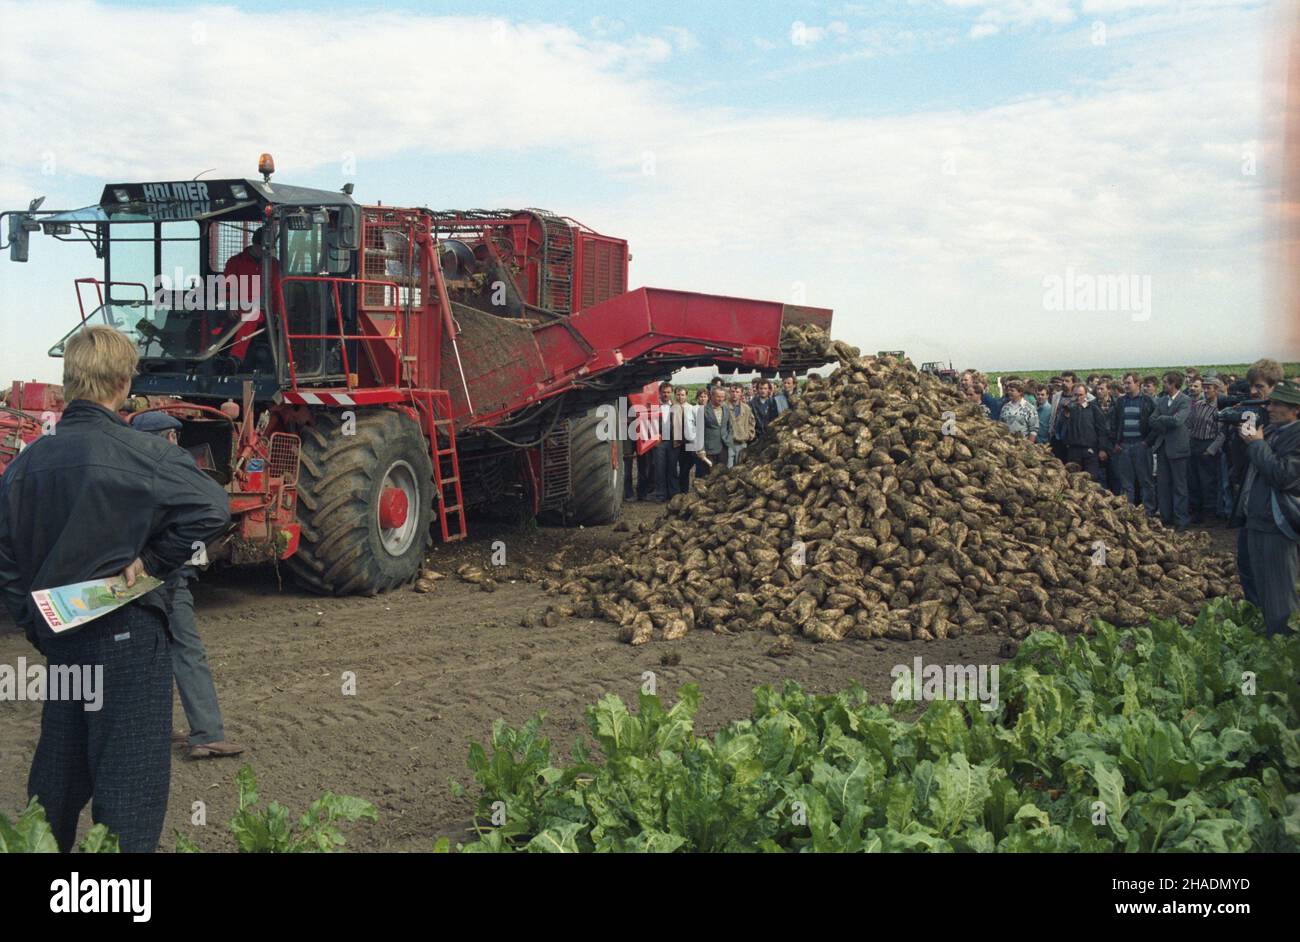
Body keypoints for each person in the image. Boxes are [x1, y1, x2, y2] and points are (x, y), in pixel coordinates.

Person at [0, 326, 230, 852]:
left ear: (68, 382)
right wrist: (152, 560)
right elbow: (213, 508)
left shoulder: (25, 465)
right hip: (127, 639)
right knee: (129, 791)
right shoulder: (144, 454)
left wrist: (38, 624)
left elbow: (6, 558)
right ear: (125, 382)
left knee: (55, 783)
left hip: (61, 643)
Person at [132, 411, 245, 759]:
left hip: (130, 577)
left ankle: (152, 729)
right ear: (169, 438)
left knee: (146, 652)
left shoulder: (125, 470)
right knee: (186, 649)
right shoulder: (177, 468)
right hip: (167, 572)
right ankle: (207, 734)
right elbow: (215, 508)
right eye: (174, 438)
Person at [1231, 380, 1300, 637]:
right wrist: (1246, 438)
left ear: (1296, 410)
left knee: (1281, 594)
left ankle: (1286, 652)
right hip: (1257, 520)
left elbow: (1284, 476)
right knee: (1262, 589)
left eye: (1277, 404)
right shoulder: (1272, 430)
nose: (1269, 408)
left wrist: (1257, 444)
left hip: (1278, 524)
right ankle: (1270, 643)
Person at [218, 226, 281, 365]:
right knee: (209, 317)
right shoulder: (235, 262)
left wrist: (278, 314)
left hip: (262, 310)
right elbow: (226, 286)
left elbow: (276, 291)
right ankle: (206, 358)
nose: (266, 252)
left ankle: (235, 359)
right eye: (263, 248)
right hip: (236, 307)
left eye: (269, 249)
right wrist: (230, 304)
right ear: (255, 244)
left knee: (251, 315)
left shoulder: (274, 265)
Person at [1149, 370, 1192, 530]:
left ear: (1174, 384)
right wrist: (1164, 420)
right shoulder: (1161, 401)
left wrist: (1161, 419)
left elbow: (1178, 421)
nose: (1163, 384)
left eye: (1166, 382)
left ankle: (1181, 520)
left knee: (1179, 486)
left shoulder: (1185, 400)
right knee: (1163, 485)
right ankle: (1166, 518)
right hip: (1162, 448)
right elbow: (1151, 420)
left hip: (1179, 449)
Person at [1111, 372, 1156, 515]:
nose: (1125, 386)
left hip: (1141, 445)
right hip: (1124, 446)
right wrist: (1116, 443)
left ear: (1138, 384)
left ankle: (1148, 512)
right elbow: (1115, 423)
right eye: (1124, 383)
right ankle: (1127, 512)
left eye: (1128, 383)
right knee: (1126, 482)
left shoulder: (1148, 401)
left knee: (1145, 481)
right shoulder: (1120, 401)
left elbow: (1155, 424)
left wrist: (1147, 442)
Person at [1186, 374, 1224, 525]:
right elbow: (1190, 424)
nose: (1206, 390)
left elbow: (1222, 433)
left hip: (1208, 445)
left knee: (1208, 482)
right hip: (1195, 444)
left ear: (1216, 390)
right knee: (1193, 481)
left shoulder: (1219, 409)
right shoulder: (1199, 405)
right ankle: (1197, 512)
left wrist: (1211, 450)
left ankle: (1210, 514)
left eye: (1209, 388)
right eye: (1205, 387)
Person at [1060, 382, 1109, 482]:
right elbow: (1062, 428)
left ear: (1086, 395)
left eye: (1081, 395)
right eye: (1075, 395)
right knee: (1073, 480)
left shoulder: (1093, 409)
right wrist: (1066, 415)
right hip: (1073, 451)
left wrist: (1102, 449)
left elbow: (1102, 430)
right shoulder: (1068, 410)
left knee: (1091, 480)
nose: (1078, 397)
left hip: (1090, 451)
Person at [651, 382, 677, 502]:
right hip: (659, 442)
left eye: (668, 392)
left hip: (673, 442)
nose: (666, 395)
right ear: (660, 393)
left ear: (671, 393)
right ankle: (660, 495)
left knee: (672, 468)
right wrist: (655, 435)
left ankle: (672, 495)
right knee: (659, 468)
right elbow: (649, 423)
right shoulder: (653, 406)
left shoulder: (676, 406)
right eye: (664, 392)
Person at [672, 386, 699, 495]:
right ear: (675, 395)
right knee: (677, 466)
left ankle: (684, 489)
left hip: (689, 441)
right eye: (678, 394)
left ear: (686, 396)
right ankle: (679, 490)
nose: (680, 397)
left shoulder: (691, 408)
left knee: (688, 465)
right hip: (677, 442)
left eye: (682, 394)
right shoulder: (671, 408)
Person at [700, 385, 733, 474]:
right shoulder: (703, 410)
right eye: (718, 397)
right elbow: (699, 432)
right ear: (712, 396)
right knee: (710, 475)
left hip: (724, 447)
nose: (721, 399)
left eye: (722, 397)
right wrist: (701, 449)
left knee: (722, 474)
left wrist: (728, 439)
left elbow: (729, 426)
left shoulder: (726, 408)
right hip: (709, 449)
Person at [727, 384, 756, 467]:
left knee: (739, 468)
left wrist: (750, 435)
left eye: (737, 392)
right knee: (728, 468)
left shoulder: (746, 408)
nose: (734, 394)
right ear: (729, 392)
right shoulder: (724, 407)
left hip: (742, 443)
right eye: (732, 391)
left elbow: (752, 422)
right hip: (729, 444)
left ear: (741, 394)